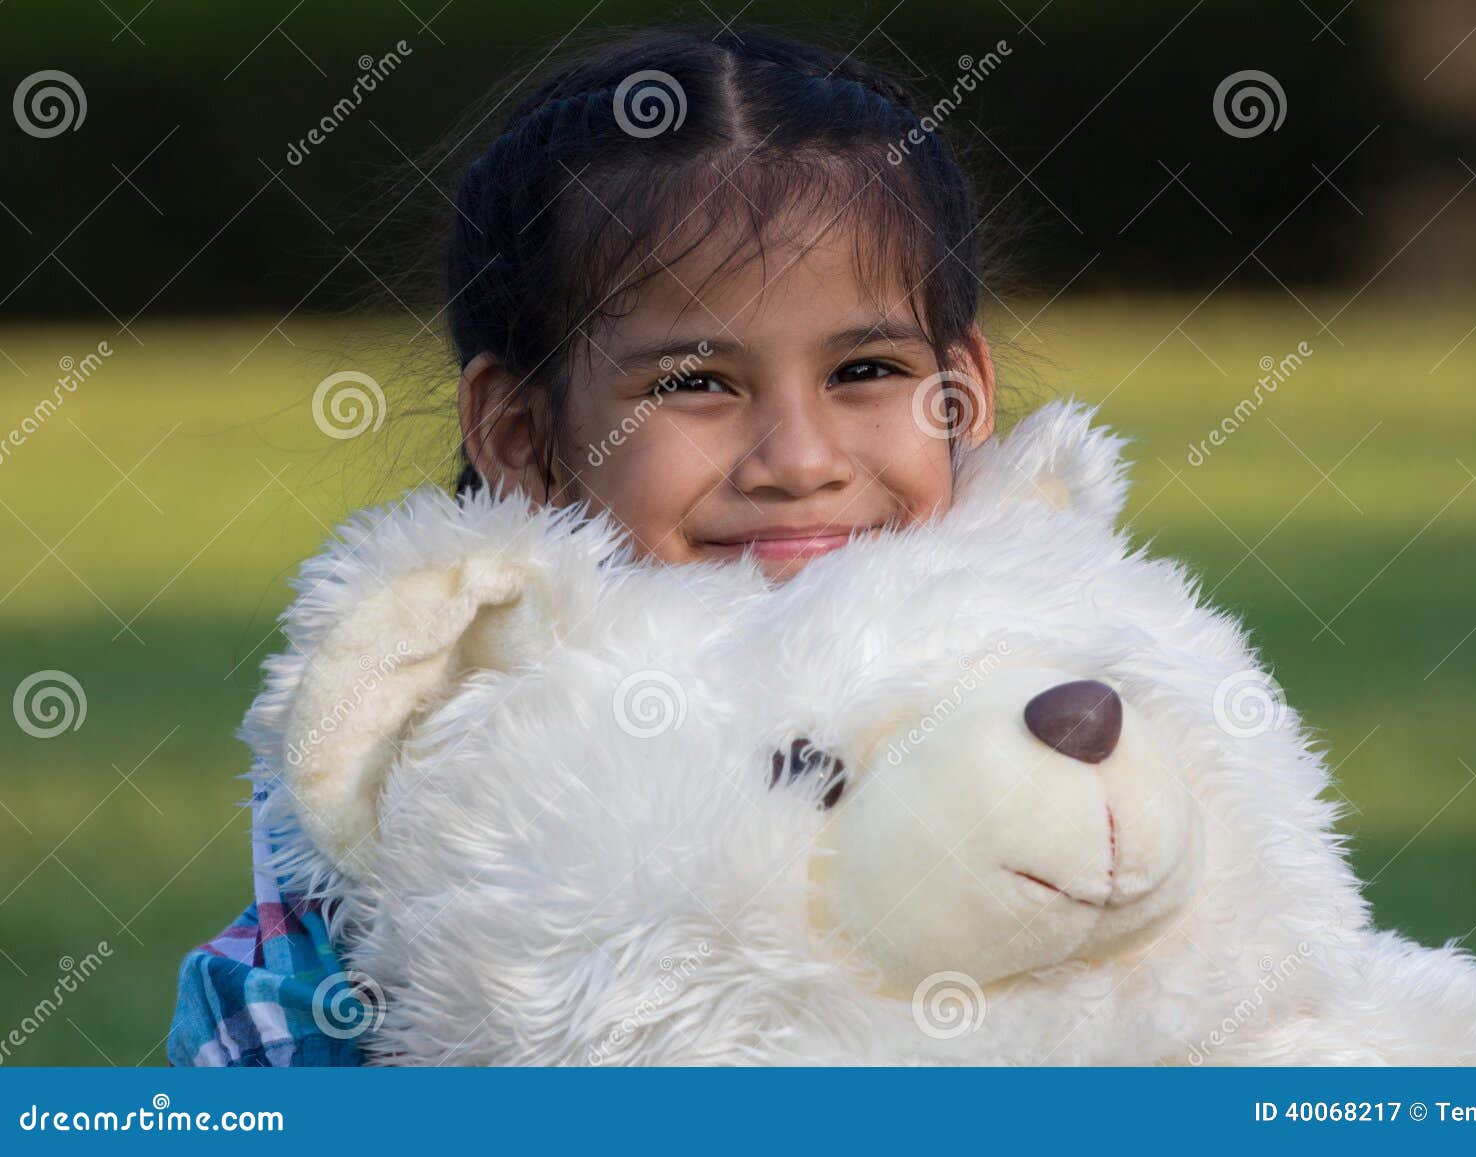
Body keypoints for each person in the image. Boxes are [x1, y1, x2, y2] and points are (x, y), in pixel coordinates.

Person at [169, 22, 1002, 1065]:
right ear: (522, 436)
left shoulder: (1051, 668)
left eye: (865, 370)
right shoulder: (437, 764)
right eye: (694, 383)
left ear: (961, 394)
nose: (799, 460)